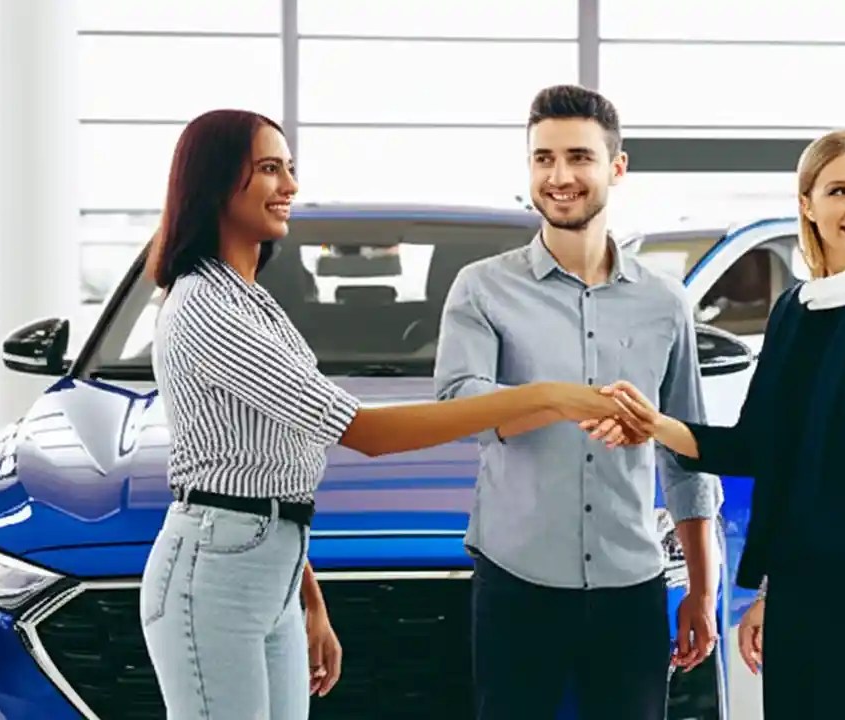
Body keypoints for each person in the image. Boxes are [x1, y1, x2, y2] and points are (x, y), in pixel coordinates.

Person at [140, 108, 626, 720]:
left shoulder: (253, 301)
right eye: (269, 169)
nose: (289, 186)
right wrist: (544, 395)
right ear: (212, 181)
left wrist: (305, 597)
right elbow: (364, 433)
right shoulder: (207, 306)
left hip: (270, 572)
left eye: (290, 169)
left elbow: (264, 478)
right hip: (213, 580)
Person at [593, 128, 845, 719]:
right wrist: (655, 425)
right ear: (807, 205)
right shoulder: (795, 310)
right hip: (798, 600)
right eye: (839, 191)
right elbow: (759, 448)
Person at [432, 84, 722, 720]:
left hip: (632, 586)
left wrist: (702, 588)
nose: (559, 176)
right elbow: (459, 401)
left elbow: (687, 455)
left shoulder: (665, 302)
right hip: (517, 583)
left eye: (579, 157)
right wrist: (564, 401)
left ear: (616, 168)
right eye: (543, 158)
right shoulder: (483, 289)